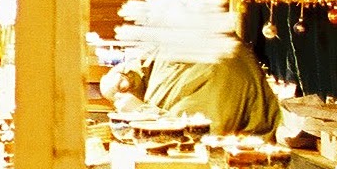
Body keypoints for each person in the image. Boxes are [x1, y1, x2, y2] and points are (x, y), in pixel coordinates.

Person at [100, 37, 283, 135]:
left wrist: (141, 112)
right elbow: (147, 67)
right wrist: (122, 78)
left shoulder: (222, 67)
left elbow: (199, 138)